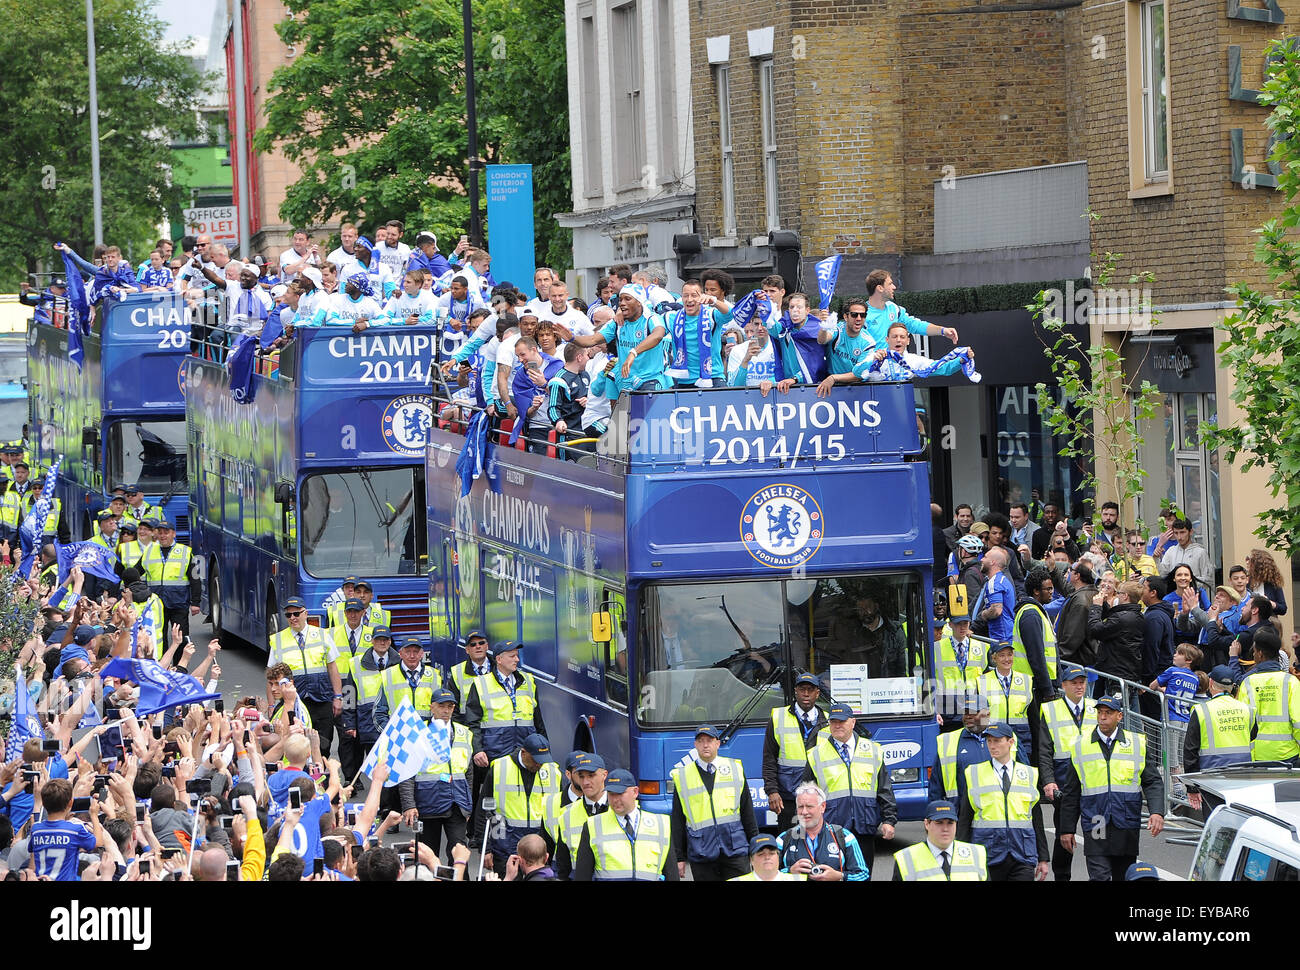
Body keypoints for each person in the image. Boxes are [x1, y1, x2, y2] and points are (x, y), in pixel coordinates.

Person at [1058, 693, 1166, 881]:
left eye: (1108, 712)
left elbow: (1152, 781)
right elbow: (1071, 792)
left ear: (1119, 716)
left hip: (1126, 821)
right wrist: (1067, 829)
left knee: (1123, 876)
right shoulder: (1081, 745)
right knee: (1099, 876)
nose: (1102, 716)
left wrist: (1157, 812)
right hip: (1096, 820)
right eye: (1100, 712)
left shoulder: (1136, 743)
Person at [803, 702, 897, 860]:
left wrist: (889, 820)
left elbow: (884, 789)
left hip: (864, 827)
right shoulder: (816, 755)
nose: (837, 725)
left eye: (842, 721)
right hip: (832, 829)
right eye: (834, 721)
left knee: (863, 875)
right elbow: (806, 795)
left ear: (853, 722)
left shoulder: (873, 750)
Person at [958, 722, 1049, 881]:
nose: (992, 746)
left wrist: (1043, 857)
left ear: (1011, 742)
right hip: (989, 854)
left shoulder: (1028, 774)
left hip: (1022, 854)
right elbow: (965, 818)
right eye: (989, 741)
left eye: (997, 741)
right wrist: (960, 857)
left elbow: (1036, 818)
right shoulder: (974, 773)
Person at [670, 725, 757, 881]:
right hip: (702, 853)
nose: (705, 745)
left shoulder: (734, 769)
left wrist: (756, 848)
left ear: (717, 743)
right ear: (695, 745)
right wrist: (679, 857)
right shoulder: (682, 776)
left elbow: (747, 812)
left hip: (734, 850)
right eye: (700, 741)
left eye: (709, 740)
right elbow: (677, 819)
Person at [398, 687, 473, 862]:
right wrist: (409, 804)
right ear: (432, 707)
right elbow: (407, 772)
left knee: (459, 855)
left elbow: (468, 772)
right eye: (441, 706)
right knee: (427, 857)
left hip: (457, 803)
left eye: (450, 706)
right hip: (428, 802)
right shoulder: (419, 733)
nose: (446, 710)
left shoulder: (464, 733)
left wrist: (468, 803)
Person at [1038, 663, 1097, 882]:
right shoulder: (1052, 710)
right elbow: (1044, 749)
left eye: (1082, 682)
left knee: (1097, 833)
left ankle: (1098, 875)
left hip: (1093, 782)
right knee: (1065, 832)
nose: (1079, 686)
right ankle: (1062, 876)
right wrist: (1048, 781)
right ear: (1064, 685)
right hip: (1064, 783)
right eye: (1074, 683)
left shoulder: (1096, 707)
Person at [266, 596, 344, 757]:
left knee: (323, 743)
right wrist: (271, 705)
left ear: (305, 613)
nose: (293, 618)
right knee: (295, 744)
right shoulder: (278, 640)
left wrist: (338, 696)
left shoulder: (322, 634)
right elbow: (271, 676)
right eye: (288, 615)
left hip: (321, 699)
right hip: (294, 701)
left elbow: (332, 667)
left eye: (296, 613)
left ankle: (322, 778)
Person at [572, 768, 678, 881]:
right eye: (611, 794)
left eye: (620, 793)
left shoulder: (660, 824)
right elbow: (582, 875)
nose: (615, 799)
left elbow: (671, 873)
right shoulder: (593, 826)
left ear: (635, 792)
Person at [571, 283, 669, 393]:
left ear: (639, 302)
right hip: (626, 383)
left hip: (650, 381)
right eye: (621, 299)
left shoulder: (652, 318)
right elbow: (592, 340)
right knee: (620, 410)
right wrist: (571, 338)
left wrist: (633, 352)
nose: (622, 303)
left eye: (627, 299)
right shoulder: (617, 322)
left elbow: (658, 335)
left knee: (647, 409)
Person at [463, 641, 547, 769]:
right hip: (494, 754)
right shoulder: (481, 684)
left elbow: (538, 720)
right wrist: (477, 750)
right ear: (499, 659)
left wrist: (544, 747)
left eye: (517, 655)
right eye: (512, 656)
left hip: (525, 753)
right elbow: (472, 722)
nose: (517, 660)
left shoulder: (528, 681)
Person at [762, 672, 827, 832]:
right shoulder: (778, 717)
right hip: (788, 798)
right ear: (795, 691)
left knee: (816, 844)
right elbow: (769, 758)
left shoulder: (827, 720)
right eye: (802, 689)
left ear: (817, 693)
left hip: (816, 797)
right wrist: (772, 791)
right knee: (790, 845)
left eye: (810, 690)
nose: (806, 694)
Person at [775, 782, 870, 881]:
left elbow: (863, 875)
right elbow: (767, 876)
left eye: (809, 806)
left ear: (823, 807)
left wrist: (840, 876)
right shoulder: (784, 839)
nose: (804, 812)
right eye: (800, 807)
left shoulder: (844, 837)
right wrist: (789, 871)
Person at [931, 696, 1007, 809]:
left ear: (987, 714)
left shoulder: (1006, 738)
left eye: (973, 713)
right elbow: (936, 785)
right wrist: (933, 814)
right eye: (965, 712)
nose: (968, 717)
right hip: (960, 813)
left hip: (997, 812)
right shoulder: (948, 741)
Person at [1238, 627, 1300, 764]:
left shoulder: (1248, 683)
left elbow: (1243, 723)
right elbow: (1298, 721)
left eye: (1254, 652)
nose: (1253, 655)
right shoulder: (1290, 682)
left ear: (1260, 654)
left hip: (1258, 756)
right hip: (1289, 756)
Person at [1183, 665, 1252, 783]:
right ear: (1233, 687)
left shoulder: (1200, 710)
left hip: (1211, 776)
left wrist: (1192, 786)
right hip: (1242, 773)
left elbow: (1190, 750)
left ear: (1210, 683)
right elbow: (1252, 735)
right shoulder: (1247, 709)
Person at [892, 800, 988, 881]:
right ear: (927, 824)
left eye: (950, 823)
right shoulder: (906, 859)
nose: (945, 829)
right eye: (939, 823)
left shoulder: (976, 854)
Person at [343, 625, 396, 771]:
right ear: (372, 641)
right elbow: (349, 695)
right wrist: (349, 723)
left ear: (390, 641)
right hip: (368, 722)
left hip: (393, 721)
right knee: (376, 767)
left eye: (385, 639)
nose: (382, 642)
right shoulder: (356, 664)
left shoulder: (400, 662)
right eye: (379, 639)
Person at [861, 269, 959, 347]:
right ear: (880, 288)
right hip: (873, 370)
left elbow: (914, 325)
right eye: (890, 283)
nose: (894, 287)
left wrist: (942, 331)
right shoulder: (861, 316)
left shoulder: (894, 308)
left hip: (897, 367)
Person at [549, 752, 610, 879]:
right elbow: (562, 866)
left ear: (604, 775)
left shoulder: (621, 811)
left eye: (591, 775)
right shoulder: (567, 815)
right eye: (581, 777)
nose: (586, 782)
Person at [27, 779, 101, 880]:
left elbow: (33, 860)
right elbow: (98, 843)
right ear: (70, 803)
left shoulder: (36, 829)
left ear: (43, 804)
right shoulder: (75, 829)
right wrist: (94, 815)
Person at [140, 517, 200, 639]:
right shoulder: (149, 551)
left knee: (180, 637)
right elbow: (136, 572)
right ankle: (163, 659)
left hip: (178, 602)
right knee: (158, 637)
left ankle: (180, 659)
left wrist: (196, 603)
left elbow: (195, 578)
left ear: (173, 534)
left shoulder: (185, 552)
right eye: (160, 532)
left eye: (166, 532)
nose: (163, 536)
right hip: (156, 602)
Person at [933, 592, 984, 728]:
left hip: (972, 709)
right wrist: (933, 709)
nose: (962, 627)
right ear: (950, 625)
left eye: (965, 623)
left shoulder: (981, 647)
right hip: (947, 710)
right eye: (958, 624)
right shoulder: (936, 647)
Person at [1088, 580, 1145, 700]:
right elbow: (1112, 620)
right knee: (1130, 714)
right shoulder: (1136, 615)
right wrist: (1104, 604)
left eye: (1118, 593)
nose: (1116, 595)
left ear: (1125, 596)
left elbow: (1095, 630)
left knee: (1115, 713)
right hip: (1127, 672)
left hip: (1116, 674)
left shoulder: (1122, 618)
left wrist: (1096, 607)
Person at [373, 638, 442, 732]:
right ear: (400, 654)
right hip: (398, 738)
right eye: (408, 652)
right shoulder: (388, 675)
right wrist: (391, 734)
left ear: (422, 654)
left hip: (426, 738)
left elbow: (441, 711)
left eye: (416, 652)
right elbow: (379, 713)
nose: (412, 656)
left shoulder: (434, 675)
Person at [980, 643, 1033, 754]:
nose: (1007, 659)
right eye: (1002, 655)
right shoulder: (982, 681)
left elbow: (1032, 712)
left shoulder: (1027, 680)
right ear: (994, 658)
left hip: (1021, 736)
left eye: (1010, 655)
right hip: (995, 734)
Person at [976, 547, 1016, 644]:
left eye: (985, 557)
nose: (981, 559)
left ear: (992, 562)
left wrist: (983, 614)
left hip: (1001, 637)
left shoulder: (994, 582)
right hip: (1007, 634)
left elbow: (996, 610)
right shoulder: (1003, 580)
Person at [1158, 518, 1213, 588]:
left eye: (1182, 532)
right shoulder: (1171, 551)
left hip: (1194, 595)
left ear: (1191, 532)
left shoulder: (1200, 552)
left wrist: (1188, 583)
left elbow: (1208, 580)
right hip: (1175, 595)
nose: (1179, 537)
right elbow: (1162, 574)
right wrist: (1156, 558)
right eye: (1176, 533)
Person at [728, 833, 806, 881]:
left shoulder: (800, 879)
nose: (767, 857)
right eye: (761, 854)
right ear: (751, 860)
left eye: (771, 853)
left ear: (778, 857)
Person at [1245, 548, 1289, 618]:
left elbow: (1283, 609)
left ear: (1259, 565)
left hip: (1269, 624)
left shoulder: (1273, 583)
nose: (1247, 562)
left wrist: (1269, 602)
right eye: (1247, 559)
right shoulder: (1246, 581)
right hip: (1250, 623)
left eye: (1250, 560)